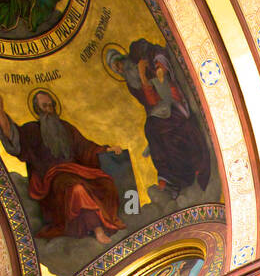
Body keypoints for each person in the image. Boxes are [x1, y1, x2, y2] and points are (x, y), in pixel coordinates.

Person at [0, 89, 124, 243]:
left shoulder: (65, 128)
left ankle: (111, 219)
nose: (49, 110)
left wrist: (106, 150)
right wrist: (1, 114)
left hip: (76, 172)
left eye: (50, 105)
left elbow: (85, 147)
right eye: (44, 106)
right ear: (37, 110)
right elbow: (13, 137)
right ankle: (97, 229)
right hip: (52, 180)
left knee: (106, 182)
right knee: (77, 190)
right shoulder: (32, 130)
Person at [106, 41, 210, 195]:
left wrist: (160, 67)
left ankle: (181, 173)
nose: (120, 69)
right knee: (152, 130)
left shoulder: (136, 52)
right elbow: (150, 101)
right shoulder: (132, 85)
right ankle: (169, 177)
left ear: (122, 58)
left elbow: (155, 51)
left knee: (158, 128)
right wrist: (143, 77)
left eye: (118, 64)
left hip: (173, 101)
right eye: (117, 70)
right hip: (160, 110)